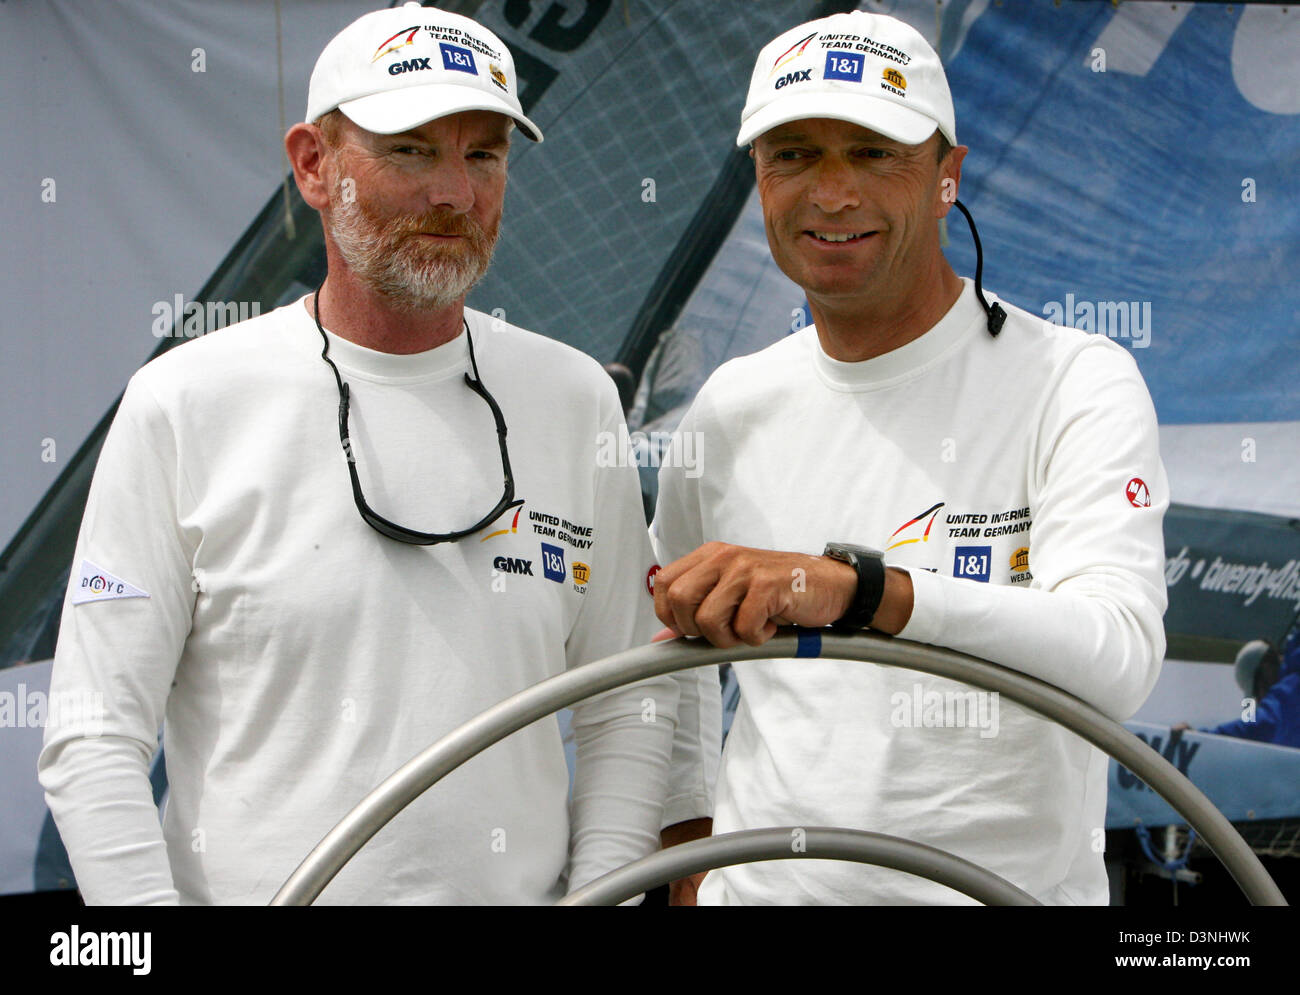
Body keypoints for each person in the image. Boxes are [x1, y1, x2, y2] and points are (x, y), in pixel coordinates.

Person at [38, 4, 709, 905]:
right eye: (411, 150)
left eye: (484, 154)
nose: (455, 194)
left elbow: (627, 701)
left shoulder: (574, 397)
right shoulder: (184, 403)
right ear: (314, 165)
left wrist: (601, 895)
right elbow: (92, 736)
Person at [650, 9, 1168, 905]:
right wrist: (693, 860)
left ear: (945, 178)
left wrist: (860, 589)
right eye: (795, 154)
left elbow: (1117, 658)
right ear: (760, 181)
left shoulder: (1074, 380)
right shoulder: (732, 405)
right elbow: (668, 653)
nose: (832, 192)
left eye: (874, 152)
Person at [1175, 632, 1300, 748]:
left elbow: (1259, 725)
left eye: (1257, 693)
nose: (1261, 701)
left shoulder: (1292, 686)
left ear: (1266, 670)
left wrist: (1200, 738)